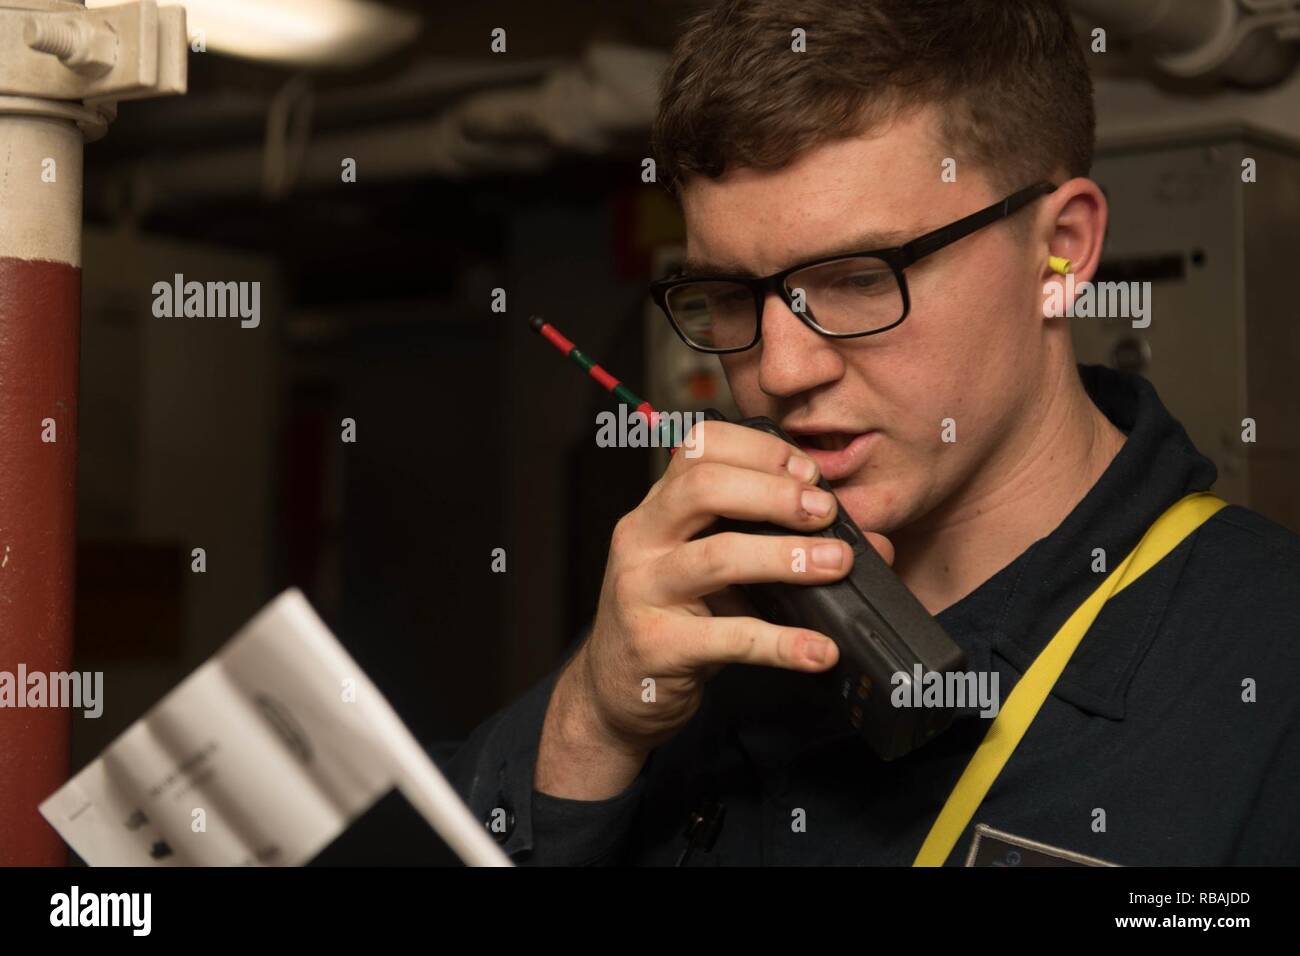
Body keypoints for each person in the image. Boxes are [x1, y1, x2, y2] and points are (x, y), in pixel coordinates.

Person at [442, 0, 1300, 865]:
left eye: (856, 279)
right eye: (731, 296)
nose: (780, 370)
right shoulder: (700, 607)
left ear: (1062, 253)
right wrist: (591, 722)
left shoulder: (1267, 668)